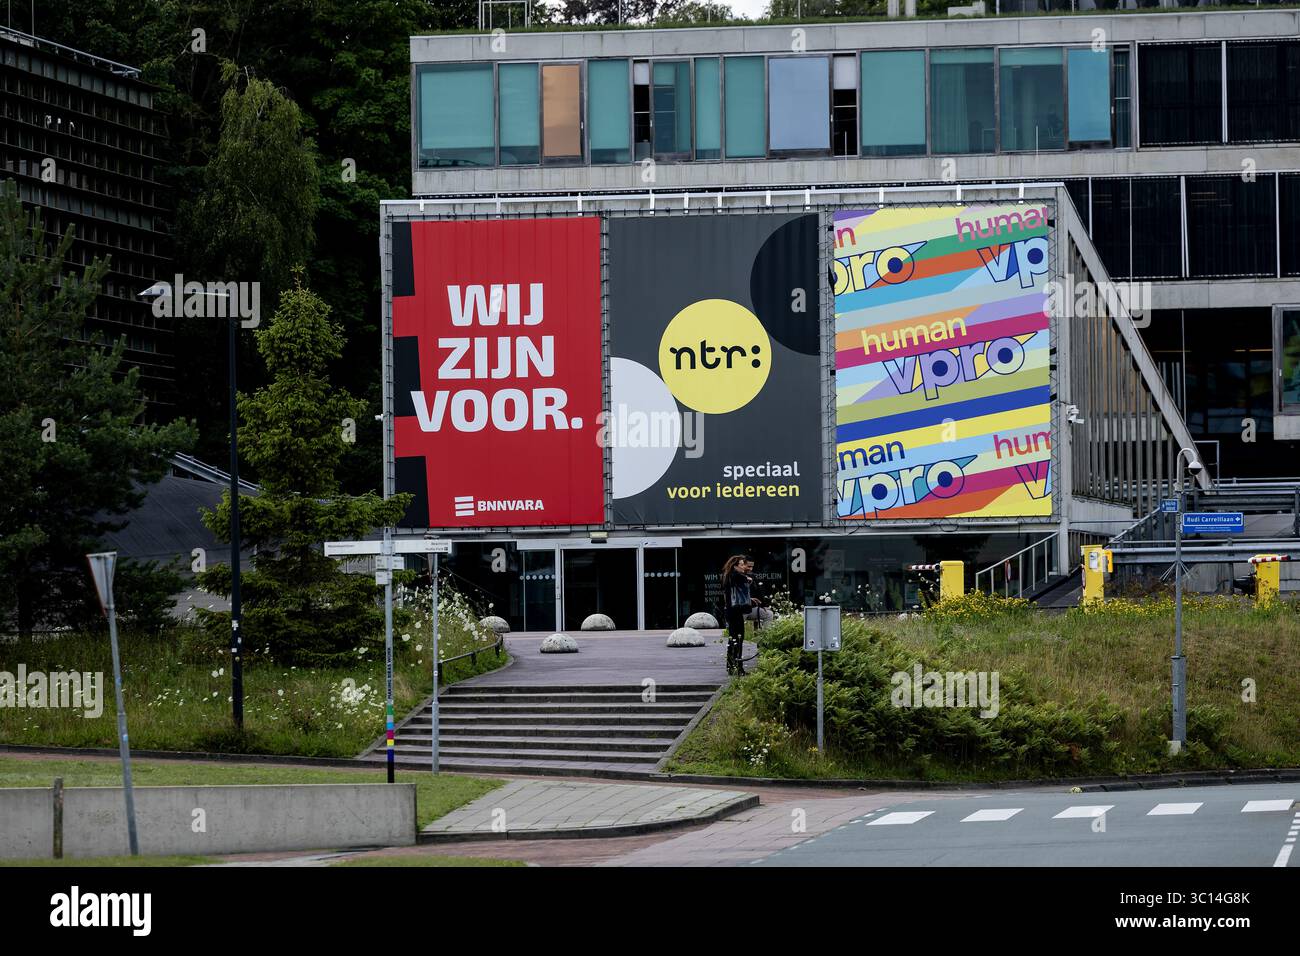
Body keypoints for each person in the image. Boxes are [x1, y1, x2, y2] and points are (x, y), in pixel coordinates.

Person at [721, 554, 758, 676]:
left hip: (732, 611)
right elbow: (747, 579)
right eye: (741, 564)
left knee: (734, 640)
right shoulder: (734, 576)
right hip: (734, 612)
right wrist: (748, 577)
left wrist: (749, 599)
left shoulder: (730, 576)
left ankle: (732, 666)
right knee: (737, 639)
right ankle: (737, 667)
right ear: (735, 566)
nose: (744, 566)